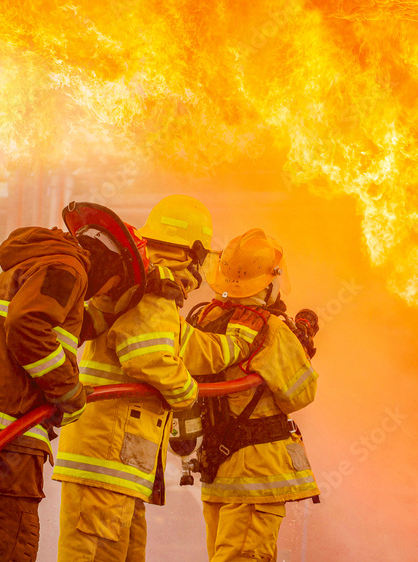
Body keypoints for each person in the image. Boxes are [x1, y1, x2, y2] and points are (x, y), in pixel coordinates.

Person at [53, 195, 268, 561]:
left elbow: (190, 348)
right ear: (195, 252)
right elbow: (148, 359)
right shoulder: (152, 293)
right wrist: (187, 397)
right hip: (104, 462)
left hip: (118, 467)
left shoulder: (154, 291)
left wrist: (238, 342)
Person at [0, 202, 148, 561]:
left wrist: (123, 306)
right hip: (8, 427)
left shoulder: (39, 263)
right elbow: (29, 326)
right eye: (113, 286)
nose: (102, 295)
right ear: (108, 265)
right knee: (6, 549)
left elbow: (70, 327)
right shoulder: (67, 268)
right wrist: (69, 392)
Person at [190, 228, 320, 562]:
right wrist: (298, 348)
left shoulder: (205, 318)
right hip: (257, 475)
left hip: (218, 470)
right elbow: (301, 393)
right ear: (269, 281)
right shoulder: (271, 329)